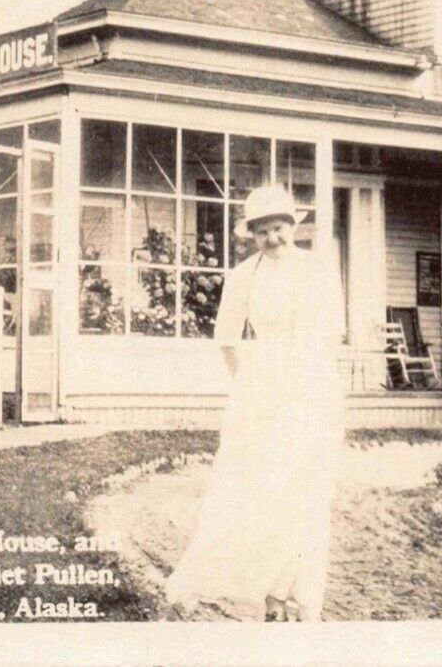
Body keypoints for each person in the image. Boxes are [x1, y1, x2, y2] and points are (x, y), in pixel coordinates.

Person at [164, 184, 348, 622]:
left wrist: (308, 385)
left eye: (280, 227)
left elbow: (331, 333)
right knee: (262, 492)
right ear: (252, 235)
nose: (274, 238)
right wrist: (251, 383)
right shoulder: (244, 274)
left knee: (306, 493)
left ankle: (293, 596)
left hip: (312, 390)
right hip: (262, 394)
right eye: (263, 231)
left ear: (293, 227)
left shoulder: (317, 269)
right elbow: (227, 338)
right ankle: (267, 591)